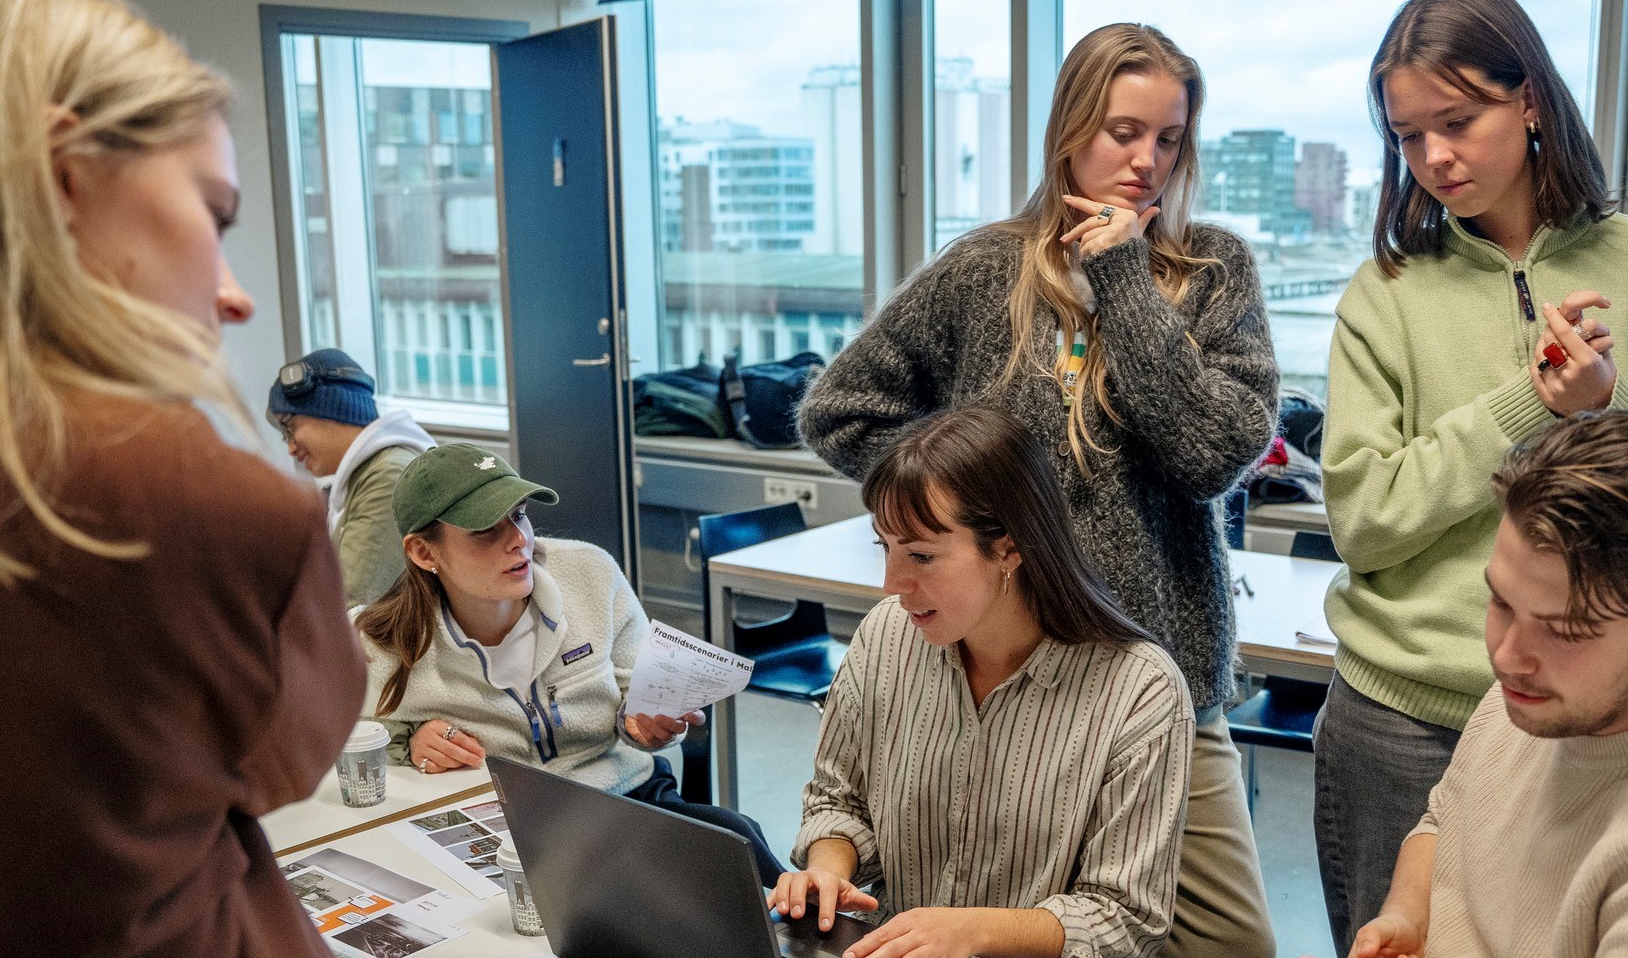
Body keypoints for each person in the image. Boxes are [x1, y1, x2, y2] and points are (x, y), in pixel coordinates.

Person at [0, 0, 364, 956]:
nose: (234, 297)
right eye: (215, 215)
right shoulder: (209, 503)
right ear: (62, 174)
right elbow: (280, 764)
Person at [799, 22, 1279, 958]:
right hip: (1001, 666)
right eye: (1122, 131)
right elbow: (843, 410)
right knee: (1018, 918)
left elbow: (1213, 452)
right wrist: (960, 500)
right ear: (1069, 129)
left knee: (1230, 944)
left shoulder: (1214, 270)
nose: (1145, 160)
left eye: (1168, 138)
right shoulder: (987, 269)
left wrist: (1125, 281)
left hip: (1163, 678)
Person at [1316, 0, 1628, 954]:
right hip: (1403, 718)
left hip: (1606, 719)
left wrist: (1606, 405)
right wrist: (1525, 408)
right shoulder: (1385, 293)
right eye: (1406, 135)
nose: (1433, 156)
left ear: (1529, 101)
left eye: (1458, 120)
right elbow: (1362, 518)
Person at [1351, 412, 1628, 958]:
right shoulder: (1536, 694)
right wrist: (1410, 916)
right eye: (1500, 602)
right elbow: (1446, 820)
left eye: (1563, 630)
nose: (1507, 656)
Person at [775, 406, 1194, 958]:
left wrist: (975, 932)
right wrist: (828, 871)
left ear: (1011, 548)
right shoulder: (886, 637)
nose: (892, 584)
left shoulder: (1139, 691)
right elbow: (840, 799)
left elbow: (1126, 917)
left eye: (922, 555)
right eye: (886, 548)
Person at [352, 443, 786, 882]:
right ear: (425, 553)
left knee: (739, 839)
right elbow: (329, 738)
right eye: (485, 529)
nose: (518, 539)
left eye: (519, 514)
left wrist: (637, 722)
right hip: (505, 827)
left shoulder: (590, 573)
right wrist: (407, 741)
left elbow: (635, 694)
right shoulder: (380, 640)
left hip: (625, 796)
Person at [267, 348, 435, 607]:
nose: (290, 447)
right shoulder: (361, 477)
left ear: (331, 411)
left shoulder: (388, 476)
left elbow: (349, 604)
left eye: (290, 427)